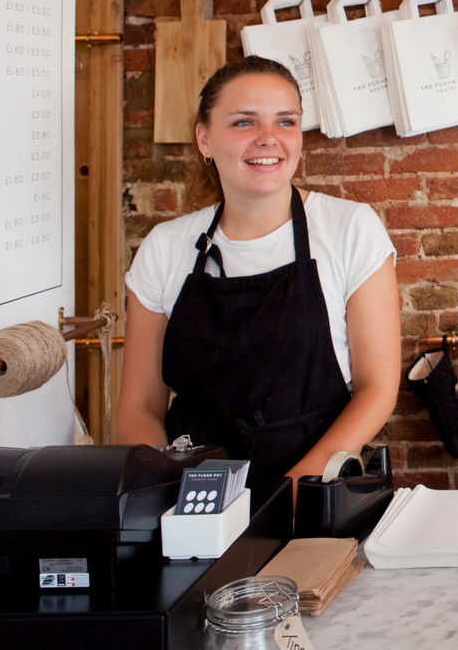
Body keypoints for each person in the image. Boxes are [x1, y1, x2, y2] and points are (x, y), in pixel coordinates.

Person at [118, 55, 400, 497]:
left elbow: (377, 389)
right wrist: (178, 498)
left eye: (286, 122)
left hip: (314, 496)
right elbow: (139, 407)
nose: (269, 139)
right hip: (190, 500)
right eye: (244, 123)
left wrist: (286, 497)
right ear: (205, 139)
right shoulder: (165, 246)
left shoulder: (350, 229)